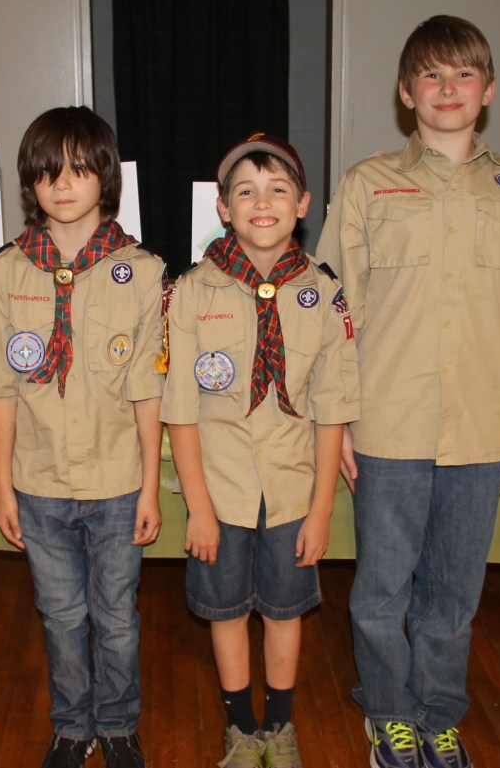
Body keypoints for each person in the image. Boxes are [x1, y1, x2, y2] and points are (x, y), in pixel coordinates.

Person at [315, 15, 500, 768]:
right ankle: (389, 712)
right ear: (404, 90)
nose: (446, 89)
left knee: (453, 597)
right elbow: (331, 312)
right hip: (388, 425)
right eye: (431, 75)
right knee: (381, 591)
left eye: (462, 75)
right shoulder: (368, 184)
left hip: (483, 431)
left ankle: (439, 713)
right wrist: (341, 425)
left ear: (488, 90)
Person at [0, 106, 164, 768]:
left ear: (104, 179)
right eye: (48, 171)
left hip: (116, 483)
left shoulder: (139, 270)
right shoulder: (3, 273)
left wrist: (148, 487)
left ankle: (116, 724)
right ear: (30, 182)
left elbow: (147, 387)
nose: (63, 183)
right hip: (38, 482)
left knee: (115, 616)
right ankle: (70, 725)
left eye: (78, 169)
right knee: (60, 615)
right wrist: (3, 485)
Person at [164, 134, 360, 768]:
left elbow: (331, 413)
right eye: (244, 192)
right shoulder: (193, 291)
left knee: (284, 609)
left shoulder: (324, 294)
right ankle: (240, 728)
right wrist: (197, 508)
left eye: (278, 190)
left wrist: (323, 509)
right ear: (223, 208)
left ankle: (280, 724)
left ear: (302, 202)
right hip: (218, 491)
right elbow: (182, 413)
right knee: (225, 612)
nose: (262, 203)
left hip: (292, 492)